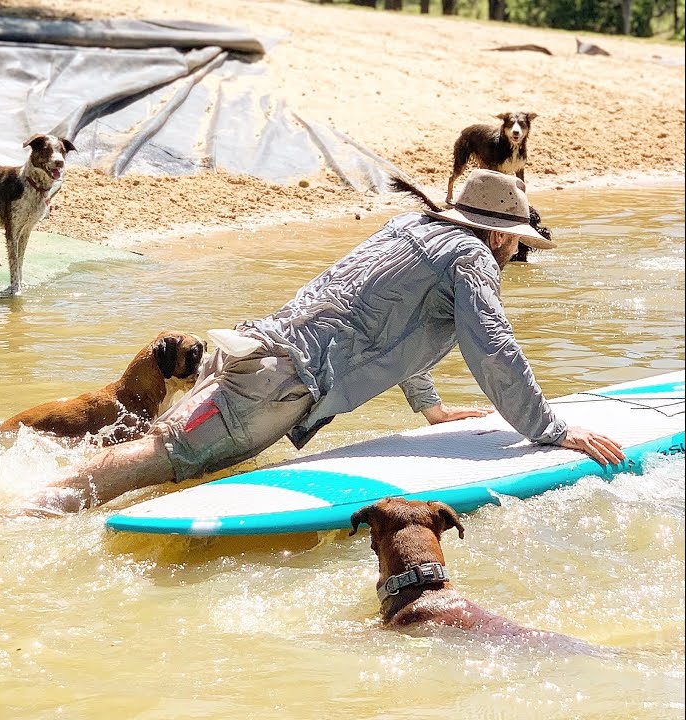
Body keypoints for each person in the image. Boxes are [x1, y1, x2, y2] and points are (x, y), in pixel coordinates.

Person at [33, 169, 625, 513]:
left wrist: (431, 410)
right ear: (500, 235)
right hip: (277, 384)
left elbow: (397, 332)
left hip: (254, 355)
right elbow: (492, 346)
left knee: (162, 455)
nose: (514, 251)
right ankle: (21, 509)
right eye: (515, 241)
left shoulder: (415, 230)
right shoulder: (472, 257)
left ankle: (31, 495)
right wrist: (551, 430)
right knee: (159, 458)